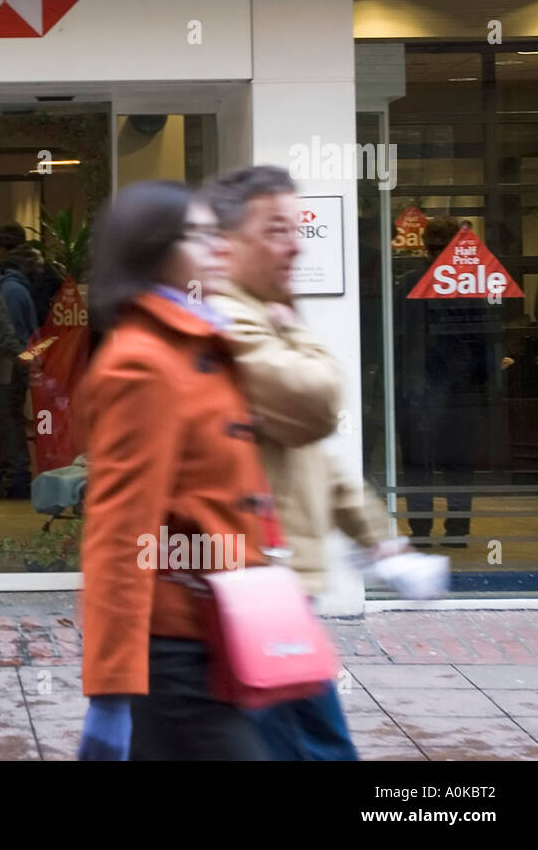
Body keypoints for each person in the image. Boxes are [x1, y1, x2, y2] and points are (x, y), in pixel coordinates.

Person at [204, 165, 397, 761]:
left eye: (296, 227)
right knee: (311, 750)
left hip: (277, 584)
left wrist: (378, 538)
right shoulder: (229, 321)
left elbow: (309, 448)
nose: (295, 243)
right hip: (252, 585)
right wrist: (301, 337)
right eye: (276, 229)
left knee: (313, 746)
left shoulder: (264, 316)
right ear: (228, 243)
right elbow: (314, 405)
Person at [78, 181, 275, 761]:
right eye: (200, 235)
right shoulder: (144, 363)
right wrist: (112, 691)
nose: (218, 247)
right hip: (173, 653)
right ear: (156, 250)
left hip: (222, 634)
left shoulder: (202, 340)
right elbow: (121, 533)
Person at [395, 216, 501, 546]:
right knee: (458, 462)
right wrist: (487, 383)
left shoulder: (412, 281)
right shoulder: (470, 283)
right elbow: (485, 338)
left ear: (425, 245)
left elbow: (399, 336)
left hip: (418, 385)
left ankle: (421, 530)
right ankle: (457, 529)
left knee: (417, 462)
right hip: (462, 387)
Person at [0, 228, 40, 499]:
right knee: (8, 421)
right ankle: (8, 475)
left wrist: (19, 358)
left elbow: (10, 332)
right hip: (15, 362)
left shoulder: (10, 288)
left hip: (7, 364)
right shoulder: (21, 284)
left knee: (8, 422)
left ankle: (15, 478)